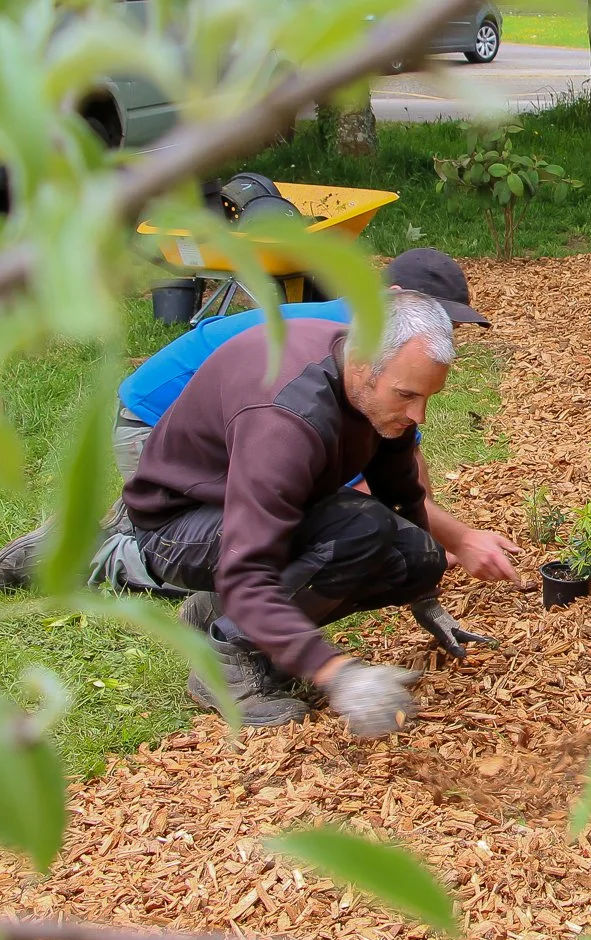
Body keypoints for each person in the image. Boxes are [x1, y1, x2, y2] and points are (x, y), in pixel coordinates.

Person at [0, 247, 523, 597]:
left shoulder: (379, 350)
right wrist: (458, 539)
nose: (443, 333)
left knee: (302, 528)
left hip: (220, 428)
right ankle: (90, 553)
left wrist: (439, 535)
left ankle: (141, 527)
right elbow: (343, 478)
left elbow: (401, 459)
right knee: (267, 541)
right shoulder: (355, 346)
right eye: (438, 316)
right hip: (151, 420)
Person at [127, 291, 472, 731]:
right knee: (360, 530)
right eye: (406, 395)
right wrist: (338, 675)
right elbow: (247, 570)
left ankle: (217, 613)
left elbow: (400, 494)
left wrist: (425, 597)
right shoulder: (286, 417)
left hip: (249, 510)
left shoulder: (376, 390)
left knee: (416, 557)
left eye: (427, 396)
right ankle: (227, 662)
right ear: (363, 365)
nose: (418, 413)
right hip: (178, 524)